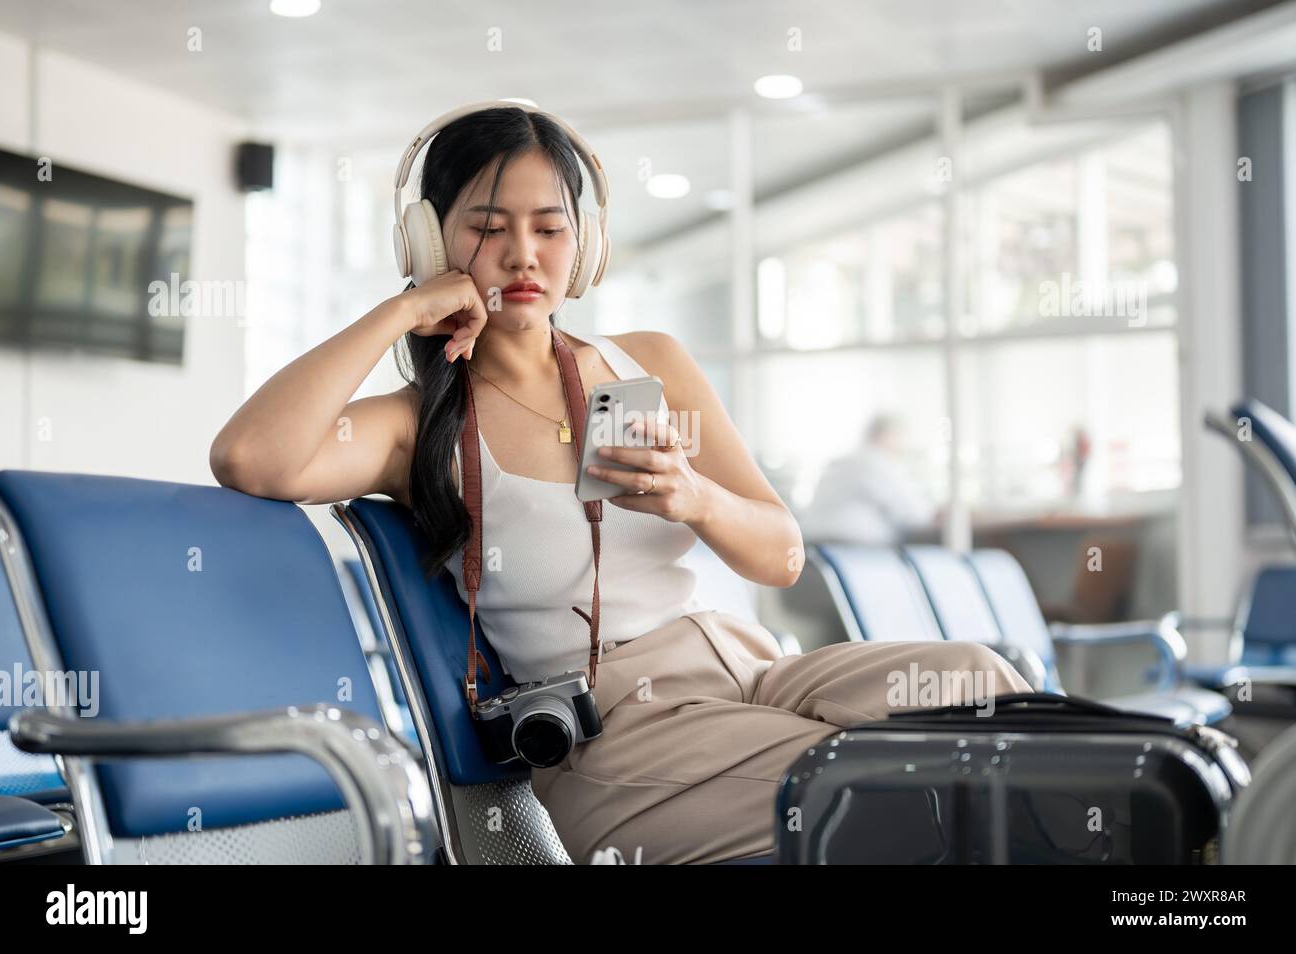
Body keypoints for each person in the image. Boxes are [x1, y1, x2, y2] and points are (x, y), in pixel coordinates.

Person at [209, 103, 1032, 865]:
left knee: (987, 688)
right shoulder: (415, 424)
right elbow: (249, 457)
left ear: (586, 246)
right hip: (619, 736)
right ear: (430, 245)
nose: (523, 254)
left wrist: (695, 498)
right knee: (885, 785)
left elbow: (781, 556)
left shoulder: (653, 363)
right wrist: (400, 313)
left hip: (754, 675)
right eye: (488, 228)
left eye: (549, 228)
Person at [798, 414, 938, 545]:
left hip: (813, 545)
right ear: (888, 435)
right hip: (851, 548)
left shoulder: (844, 461)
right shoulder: (875, 461)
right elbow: (914, 514)